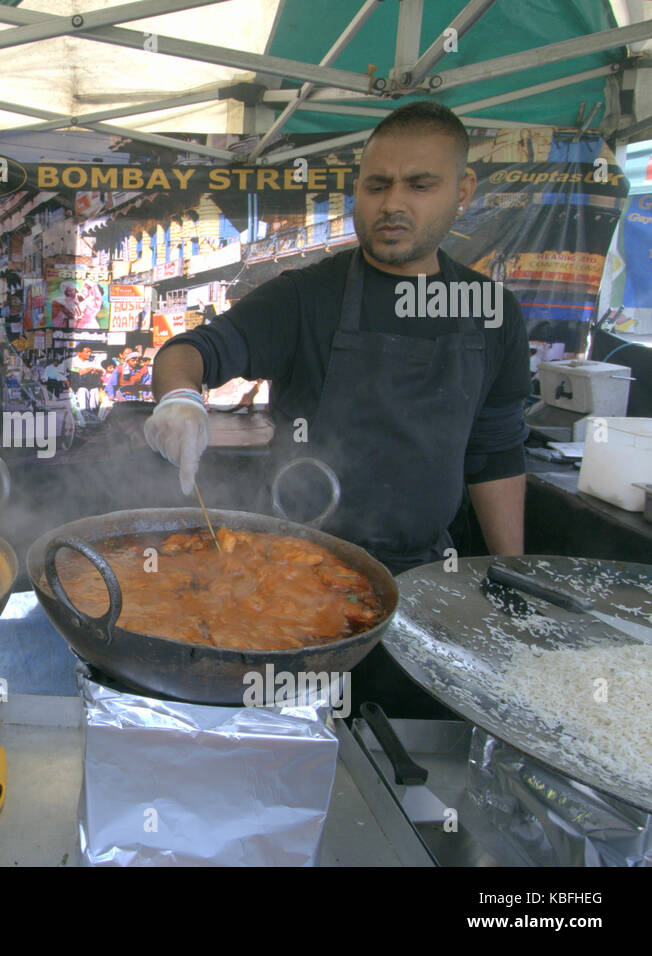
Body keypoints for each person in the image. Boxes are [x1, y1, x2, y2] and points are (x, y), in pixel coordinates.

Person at [145, 102, 530, 713]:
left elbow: (496, 450)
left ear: (463, 191)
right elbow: (191, 350)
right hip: (295, 579)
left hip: (424, 584)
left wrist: (514, 582)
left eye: (419, 185)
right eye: (377, 185)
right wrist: (181, 397)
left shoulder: (493, 311)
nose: (392, 203)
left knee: (406, 758)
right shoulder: (307, 296)